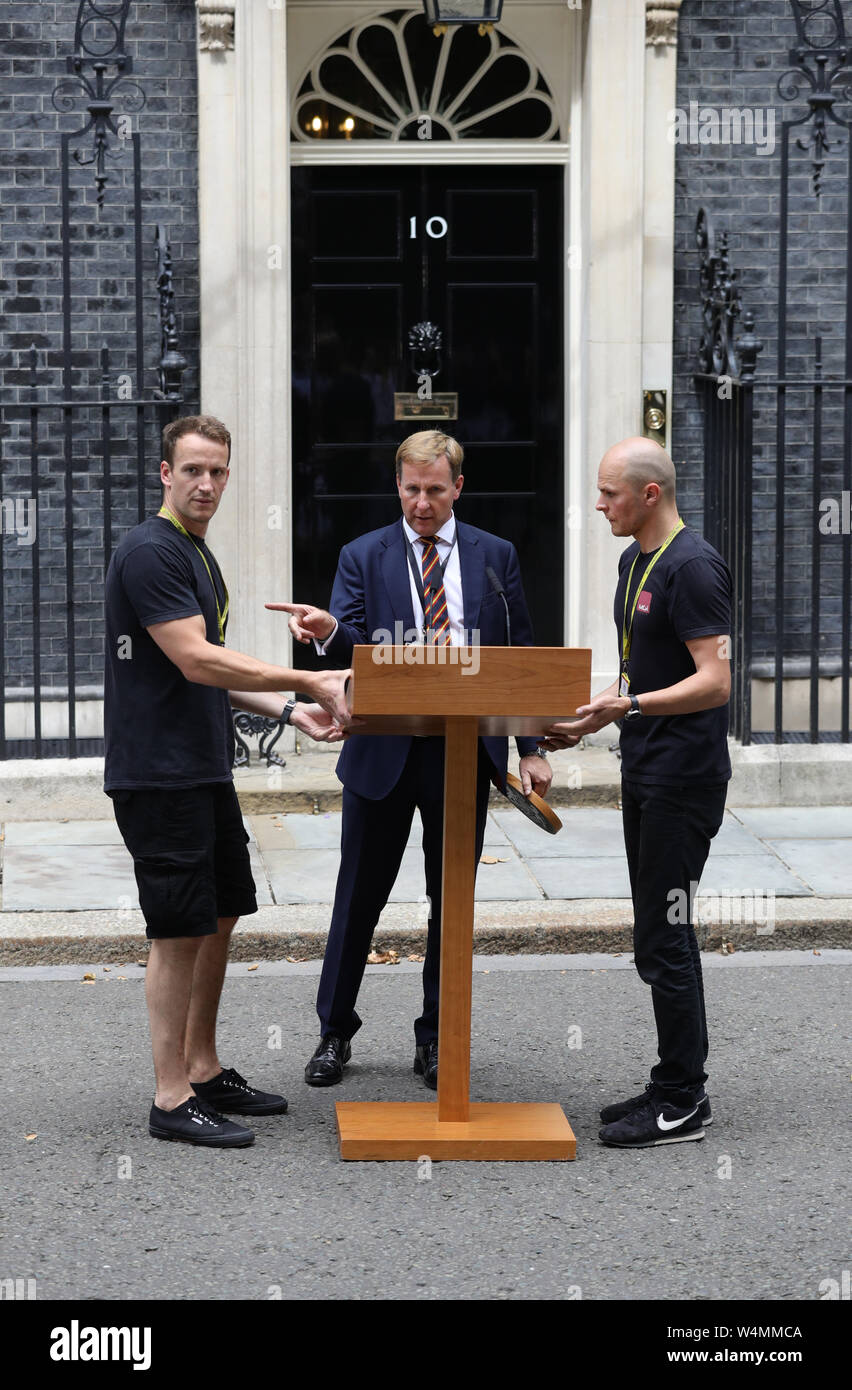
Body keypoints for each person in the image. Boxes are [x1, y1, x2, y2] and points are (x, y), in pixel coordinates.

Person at [270, 430, 552, 1089]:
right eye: (410, 488)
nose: (421, 503)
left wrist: (531, 748)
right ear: (397, 486)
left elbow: (517, 656)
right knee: (358, 897)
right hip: (383, 752)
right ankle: (334, 1032)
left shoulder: (495, 557)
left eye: (434, 489)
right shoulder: (361, 555)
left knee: (450, 900)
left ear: (458, 487)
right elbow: (356, 647)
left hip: (464, 754)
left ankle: (437, 1037)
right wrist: (329, 631)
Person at [104, 414, 351, 1148]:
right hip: (159, 774)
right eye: (193, 471)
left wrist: (289, 708)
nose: (206, 484)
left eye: (218, 472)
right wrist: (307, 675)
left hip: (201, 768)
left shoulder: (195, 554)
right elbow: (195, 659)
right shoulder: (151, 551)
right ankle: (171, 1097)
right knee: (178, 929)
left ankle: (204, 1068)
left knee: (220, 913)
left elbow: (211, 666)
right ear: (165, 473)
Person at [545, 437, 732, 1149]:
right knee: (654, 933)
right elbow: (639, 673)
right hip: (645, 769)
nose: (598, 505)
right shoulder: (634, 562)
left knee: (666, 936)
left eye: (610, 494)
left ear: (650, 494)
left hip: (684, 779)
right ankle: (670, 1080)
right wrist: (597, 714)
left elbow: (714, 679)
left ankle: (685, 1099)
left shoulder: (694, 566)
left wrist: (633, 708)